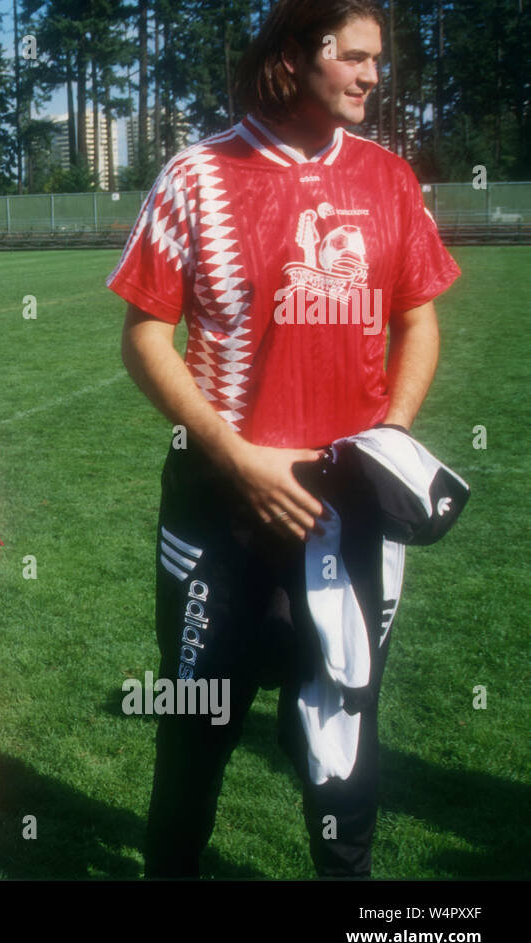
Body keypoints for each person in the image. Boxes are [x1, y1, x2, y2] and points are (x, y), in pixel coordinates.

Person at [108, 0, 460, 877]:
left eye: (378, 59)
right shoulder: (198, 175)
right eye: (355, 57)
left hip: (350, 511)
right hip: (221, 504)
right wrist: (237, 457)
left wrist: (390, 438)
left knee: (341, 724)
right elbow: (144, 338)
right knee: (197, 725)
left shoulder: (389, 178)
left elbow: (419, 318)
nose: (373, 75)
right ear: (295, 56)